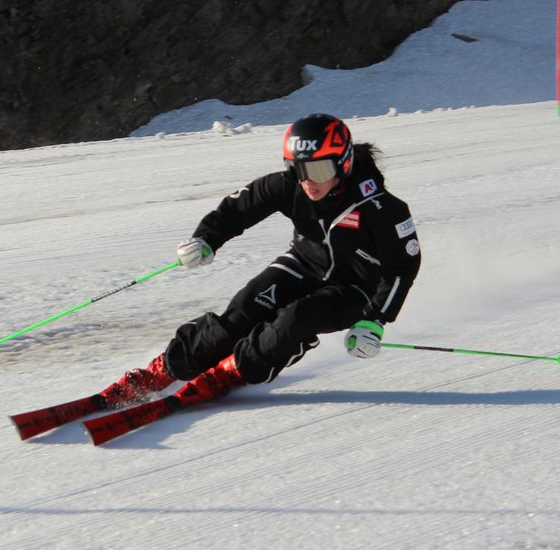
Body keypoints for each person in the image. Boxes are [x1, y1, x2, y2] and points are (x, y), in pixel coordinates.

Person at [100, 113, 421, 407]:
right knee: (242, 311)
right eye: (299, 169)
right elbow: (241, 207)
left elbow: (403, 266)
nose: (309, 181)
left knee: (295, 319)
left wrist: (375, 320)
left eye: (320, 169)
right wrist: (206, 238)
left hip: (356, 289)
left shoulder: (381, 208)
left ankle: (232, 372)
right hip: (304, 264)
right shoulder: (293, 187)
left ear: (344, 163)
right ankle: (167, 368)